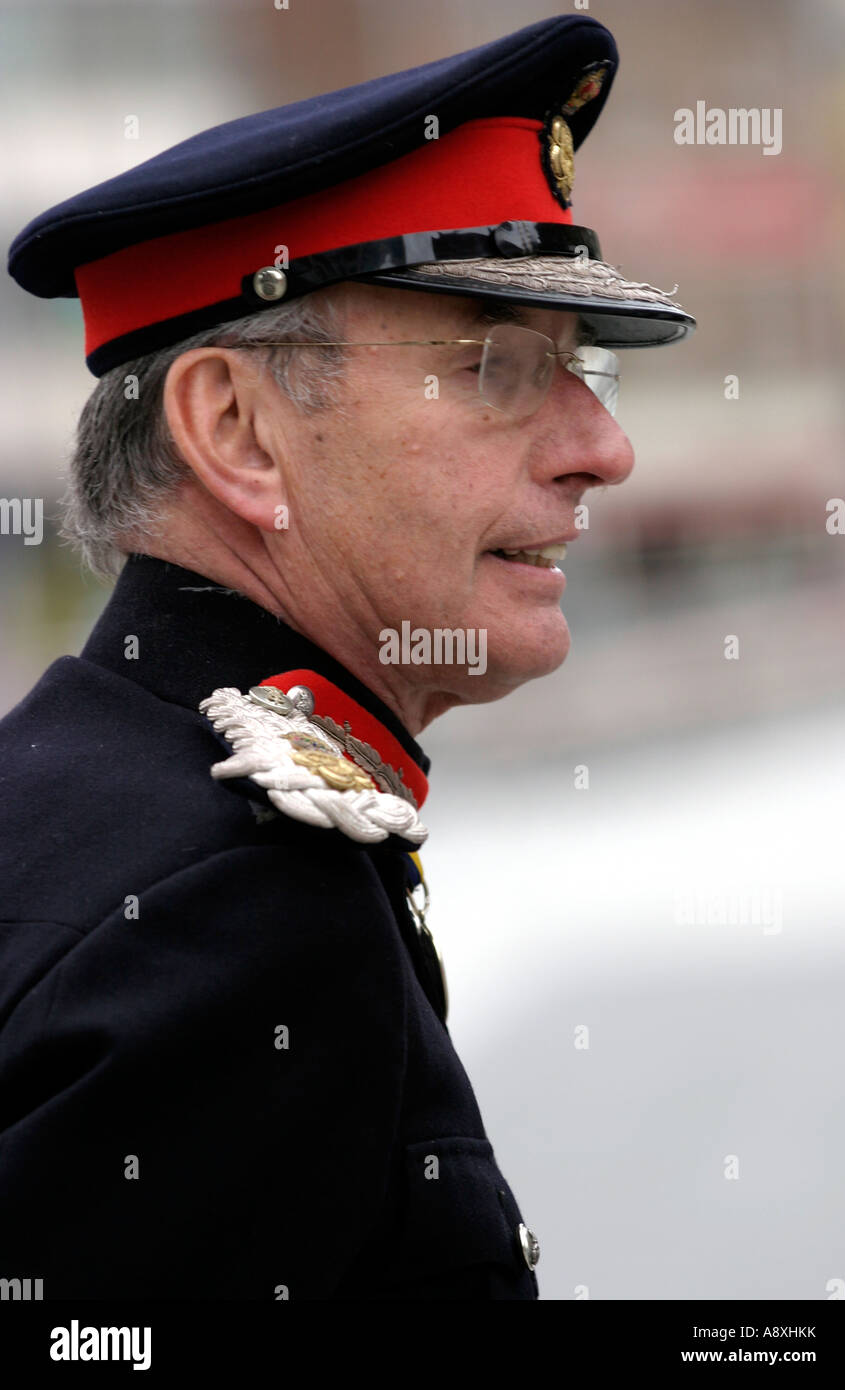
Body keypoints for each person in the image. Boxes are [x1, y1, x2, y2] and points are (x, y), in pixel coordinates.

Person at [0, 14, 694, 1299]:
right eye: (496, 365)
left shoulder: (76, 809)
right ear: (238, 433)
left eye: (582, 369)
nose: (604, 448)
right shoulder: (232, 917)